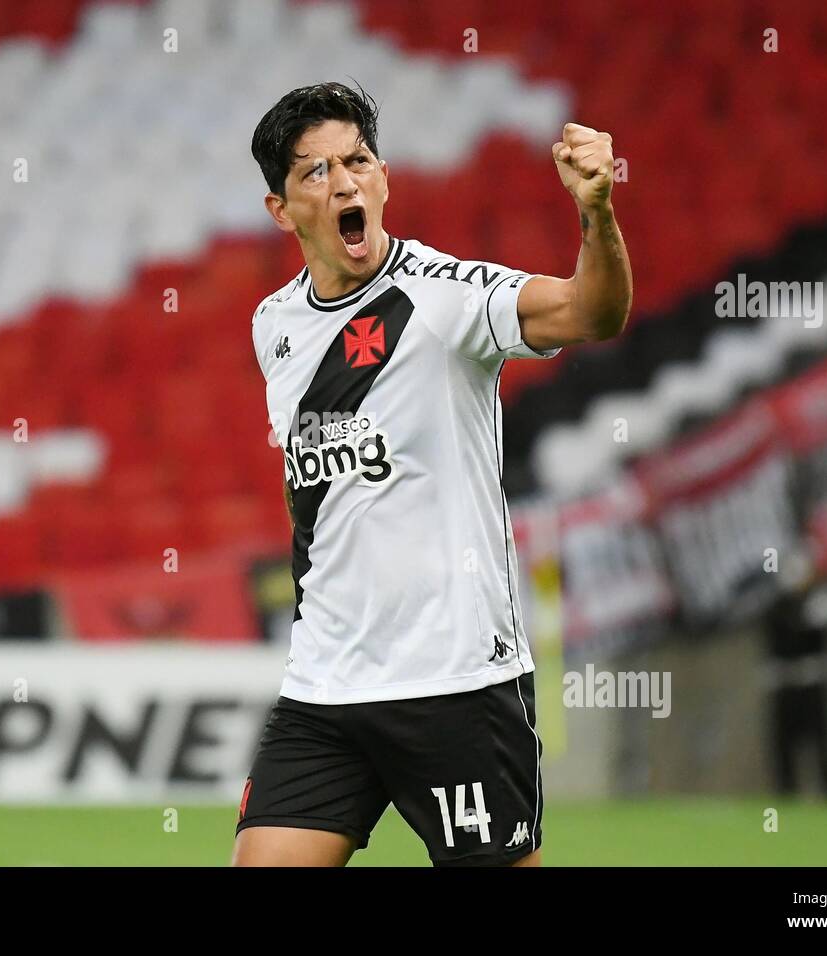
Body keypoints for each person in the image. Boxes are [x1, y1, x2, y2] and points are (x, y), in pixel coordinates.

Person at [234, 82, 632, 866]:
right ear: (281, 209)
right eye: (317, 172)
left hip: (456, 684)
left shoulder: (449, 300)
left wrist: (596, 212)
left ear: (383, 176)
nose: (346, 183)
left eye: (359, 161)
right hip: (326, 686)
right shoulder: (272, 325)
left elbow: (595, 312)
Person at [762, 553, 827, 796]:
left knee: (821, 742)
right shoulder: (777, 607)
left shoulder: (820, 601)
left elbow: (814, 624)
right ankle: (786, 793)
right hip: (785, 684)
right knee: (782, 745)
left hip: (812, 682)